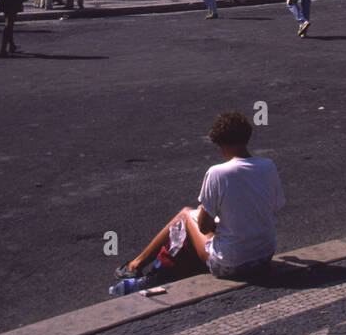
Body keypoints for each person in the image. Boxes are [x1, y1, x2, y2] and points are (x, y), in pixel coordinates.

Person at [115, 111, 285, 283]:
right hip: (264, 256)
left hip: (231, 264)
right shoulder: (268, 166)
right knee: (203, 215)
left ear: (221, 143)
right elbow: (271, 207)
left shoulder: (217, 173)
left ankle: (135, 264)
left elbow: (204, 228)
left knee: (186, 214)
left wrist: (208, 212)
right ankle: (139, 264)